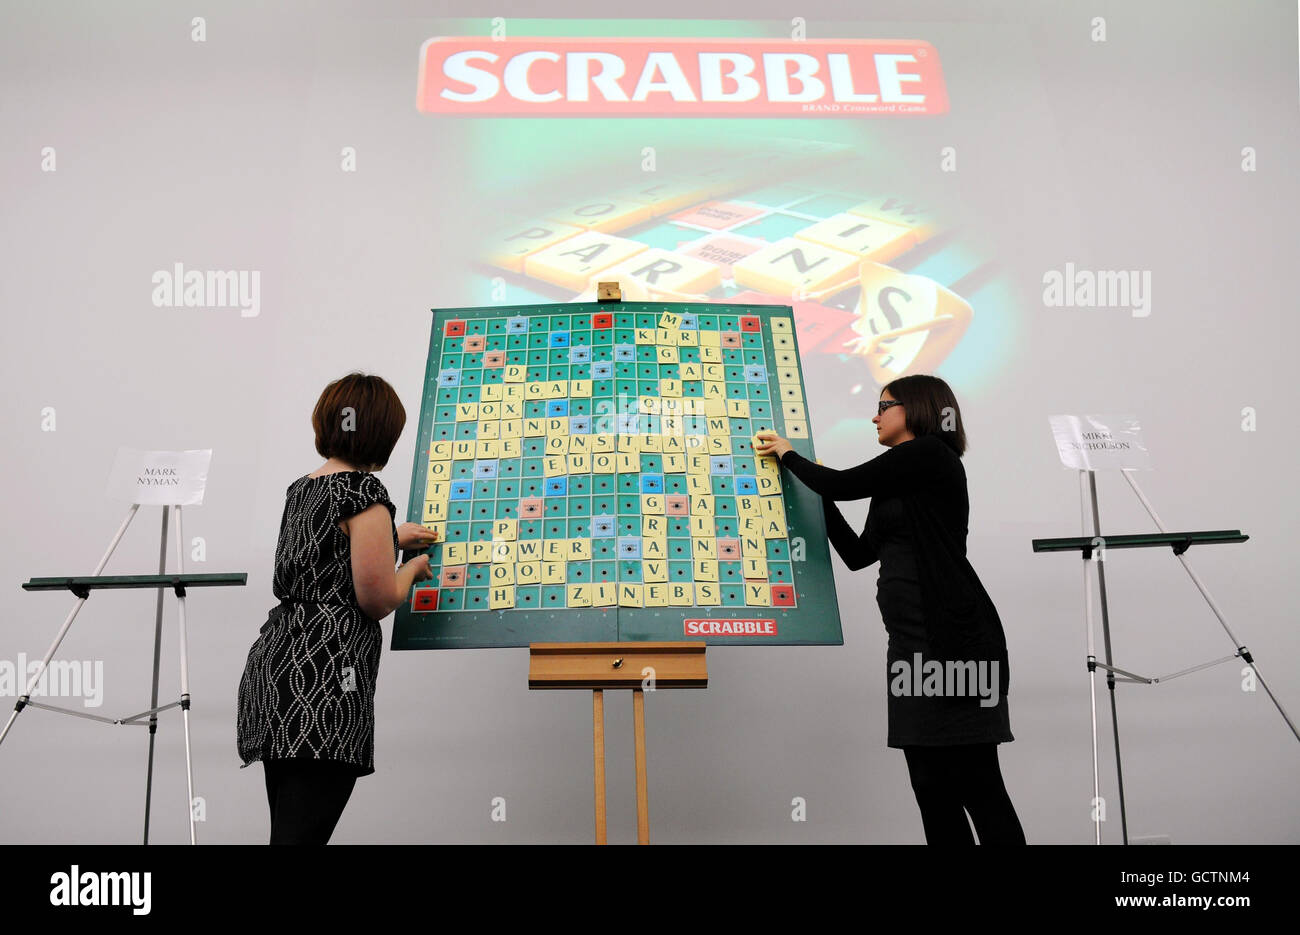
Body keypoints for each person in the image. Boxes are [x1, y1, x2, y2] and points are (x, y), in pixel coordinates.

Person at [755, 374, 1026, 845]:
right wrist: (814, 488)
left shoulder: (928, 455)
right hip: (910, 649)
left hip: (957, 643)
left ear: (917, 408)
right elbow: (859, 555)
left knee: (979, 786)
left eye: (885, 405)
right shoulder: (897, 477)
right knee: (930, 789)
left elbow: (841, 484)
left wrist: (789, 453)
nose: (874, 416)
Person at [236, 372, 437, 844]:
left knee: (288, 832)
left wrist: (389, 536)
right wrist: (412, 570)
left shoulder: (302, 488)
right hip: (324, 680)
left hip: (278, 669)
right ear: (382, 434)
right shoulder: (366, 496)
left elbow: (326, 556)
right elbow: (378, 597)